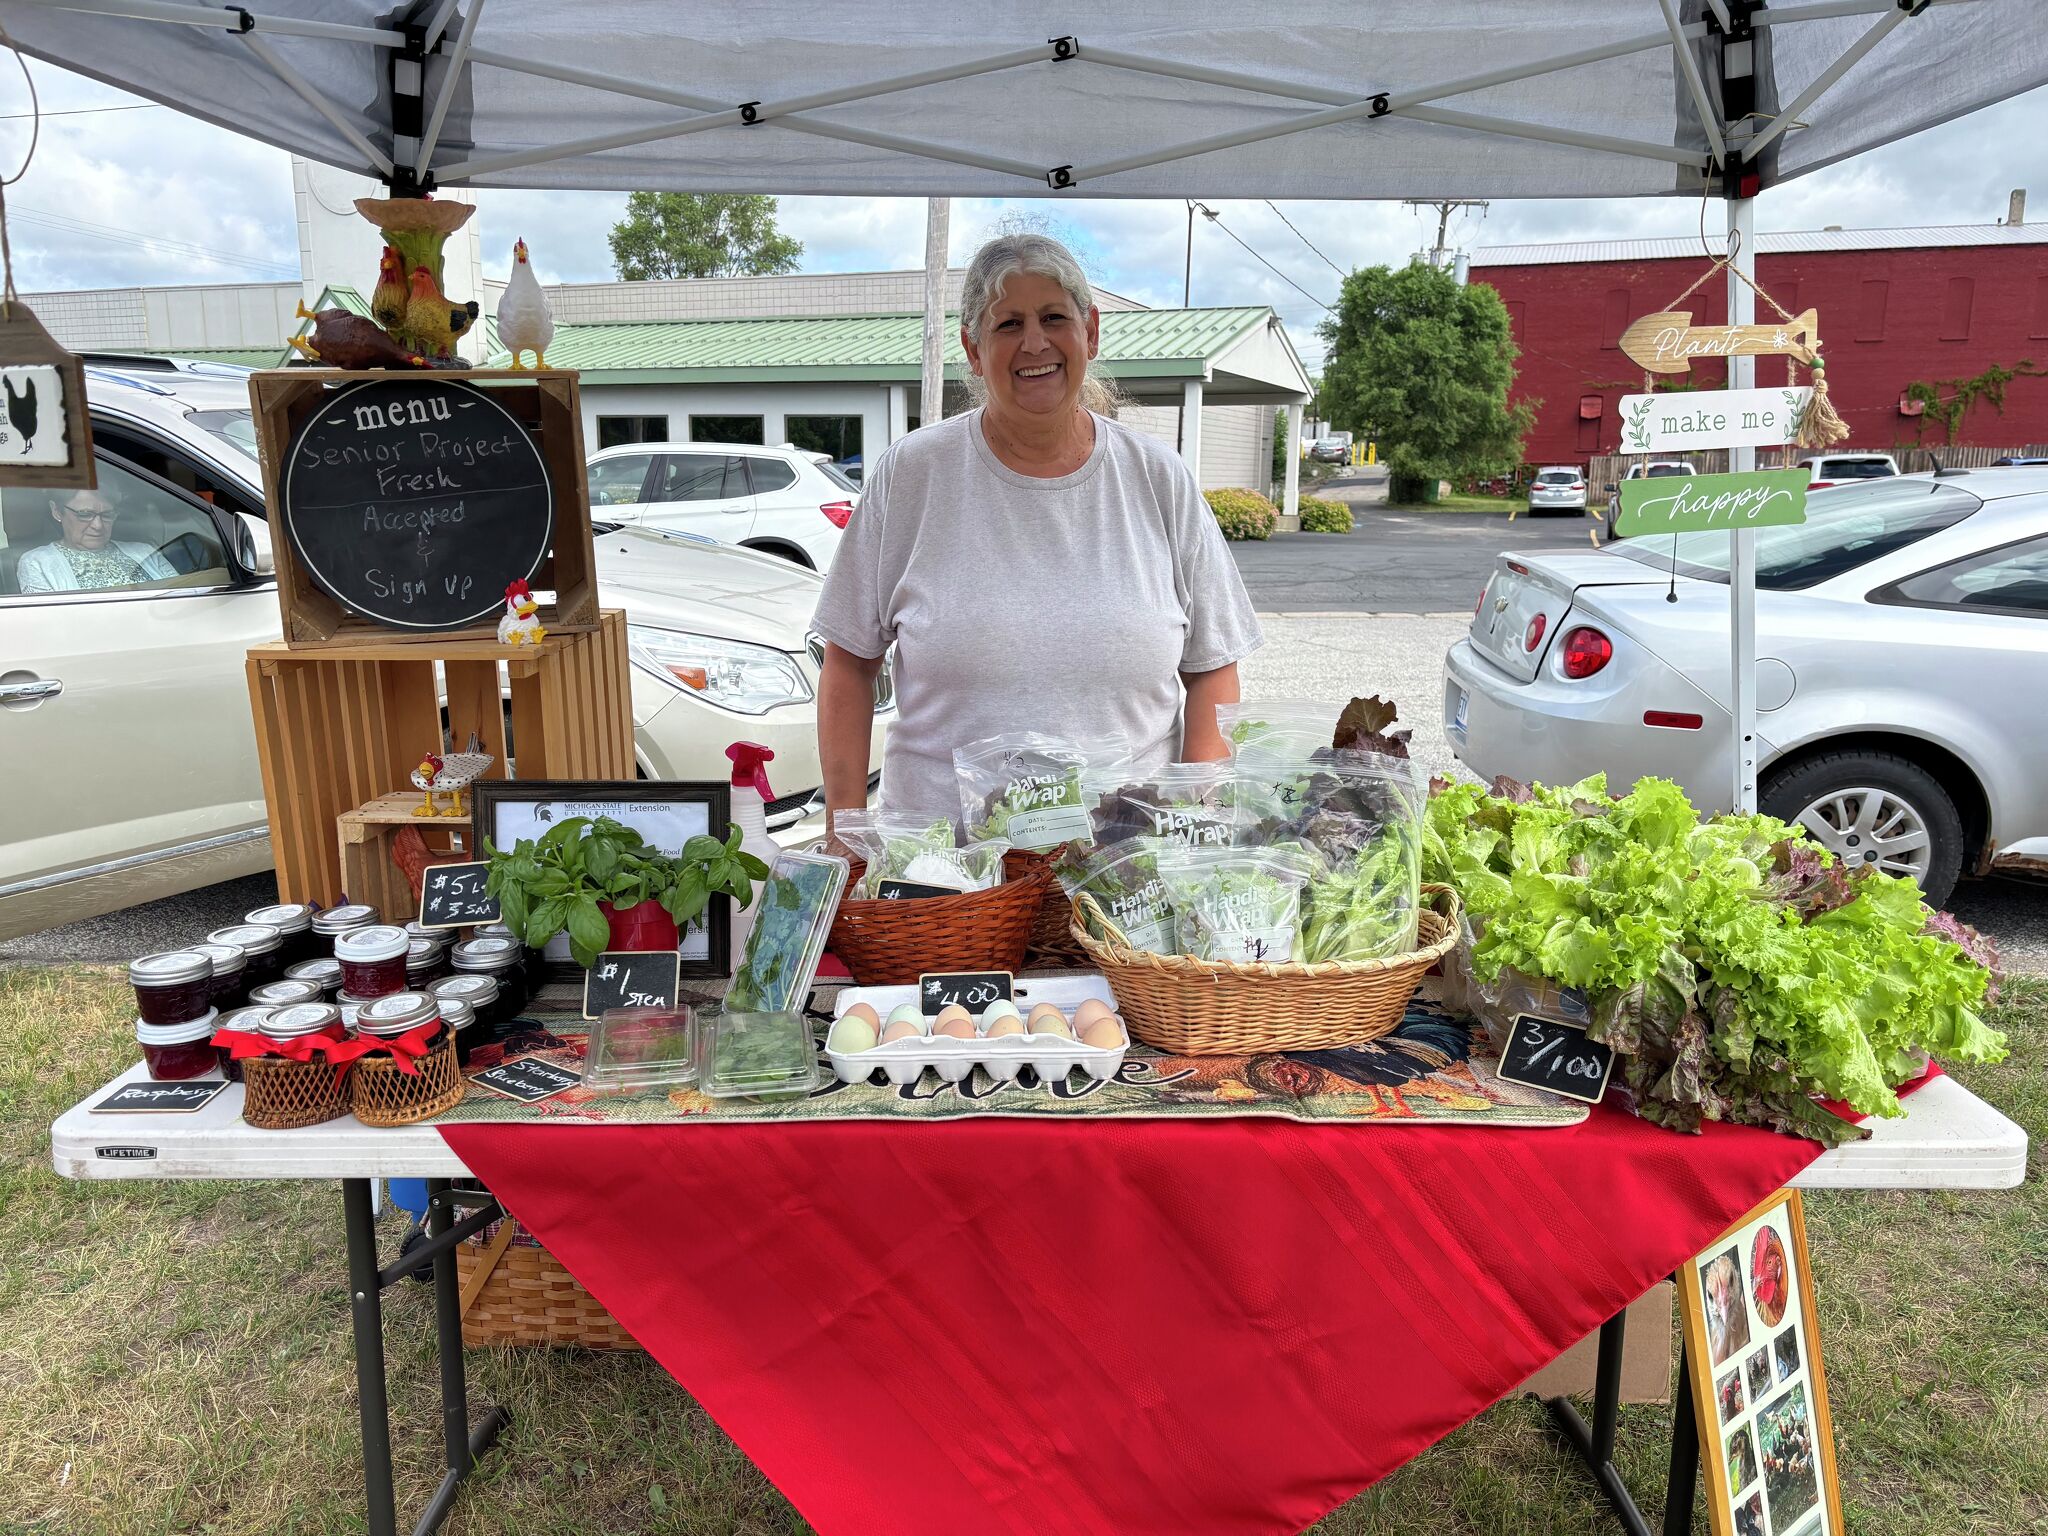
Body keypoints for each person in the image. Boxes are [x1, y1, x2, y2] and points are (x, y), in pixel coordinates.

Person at [811, 232, 1262, 825]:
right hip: (947, 871)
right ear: (973, 351)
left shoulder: (1158, 478)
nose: (1034, 342)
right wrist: (845, 826)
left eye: (1054, 317)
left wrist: (1194, 816)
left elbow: (1212, 670)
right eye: (1007, 324)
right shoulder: (912, 474)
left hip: (1122, 869)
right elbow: (848, 665)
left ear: (1091, 332)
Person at [16, 487, 173, 592]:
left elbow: (183, 593)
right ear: (57, 511)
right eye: (84, 515)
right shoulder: (37, 563)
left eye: (107, 515)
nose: (98, 525)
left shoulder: (145, 551)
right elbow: (51, 625)